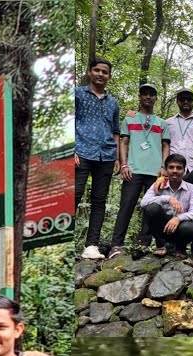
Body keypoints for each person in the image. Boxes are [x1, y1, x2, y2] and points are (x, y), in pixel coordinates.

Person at [112, 82, 170, 259]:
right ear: (139, 97)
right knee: (126, 205)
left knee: (151, 208)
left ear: (156, 98)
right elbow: (123, 142)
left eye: (151, 94)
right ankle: (116, 244)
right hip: (133, 170)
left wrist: (163, 167)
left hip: (155, 172)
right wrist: (124, 165)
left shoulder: (162, 123)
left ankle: (144, 244)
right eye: (144, 94)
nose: (148, 97)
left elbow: (165, 146)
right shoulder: (129, 119)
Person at [74, 57, 120, 260]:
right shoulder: (77, 94)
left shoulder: (113, 102)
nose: (101, 74)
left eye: (105, 72)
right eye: (97, 70)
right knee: (74, 195)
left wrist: (117, 157)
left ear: (109, 76)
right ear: (89, 72)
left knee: (99, 200)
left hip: (107, 155)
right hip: (81, 151)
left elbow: (115, 131)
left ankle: (91, 246)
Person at [138, 154, 193, 257]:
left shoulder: (192, 189)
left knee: (189, 227)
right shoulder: (158, 185)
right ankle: (161, 245)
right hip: (162, 227)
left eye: (179, 168)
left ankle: (180, 249)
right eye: (171, 167)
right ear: (166, 170)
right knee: (152, 208)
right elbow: (144, 203)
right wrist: (167, 199)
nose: (175, 171)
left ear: (184, 171)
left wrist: (178, 218)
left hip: (180, 227)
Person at [166, 88, 193, 173]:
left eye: (189, 99)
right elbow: (164, 145)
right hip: (174, 168)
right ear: (177, 102)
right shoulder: (168, 123)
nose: (186, 102)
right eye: (182, 99)